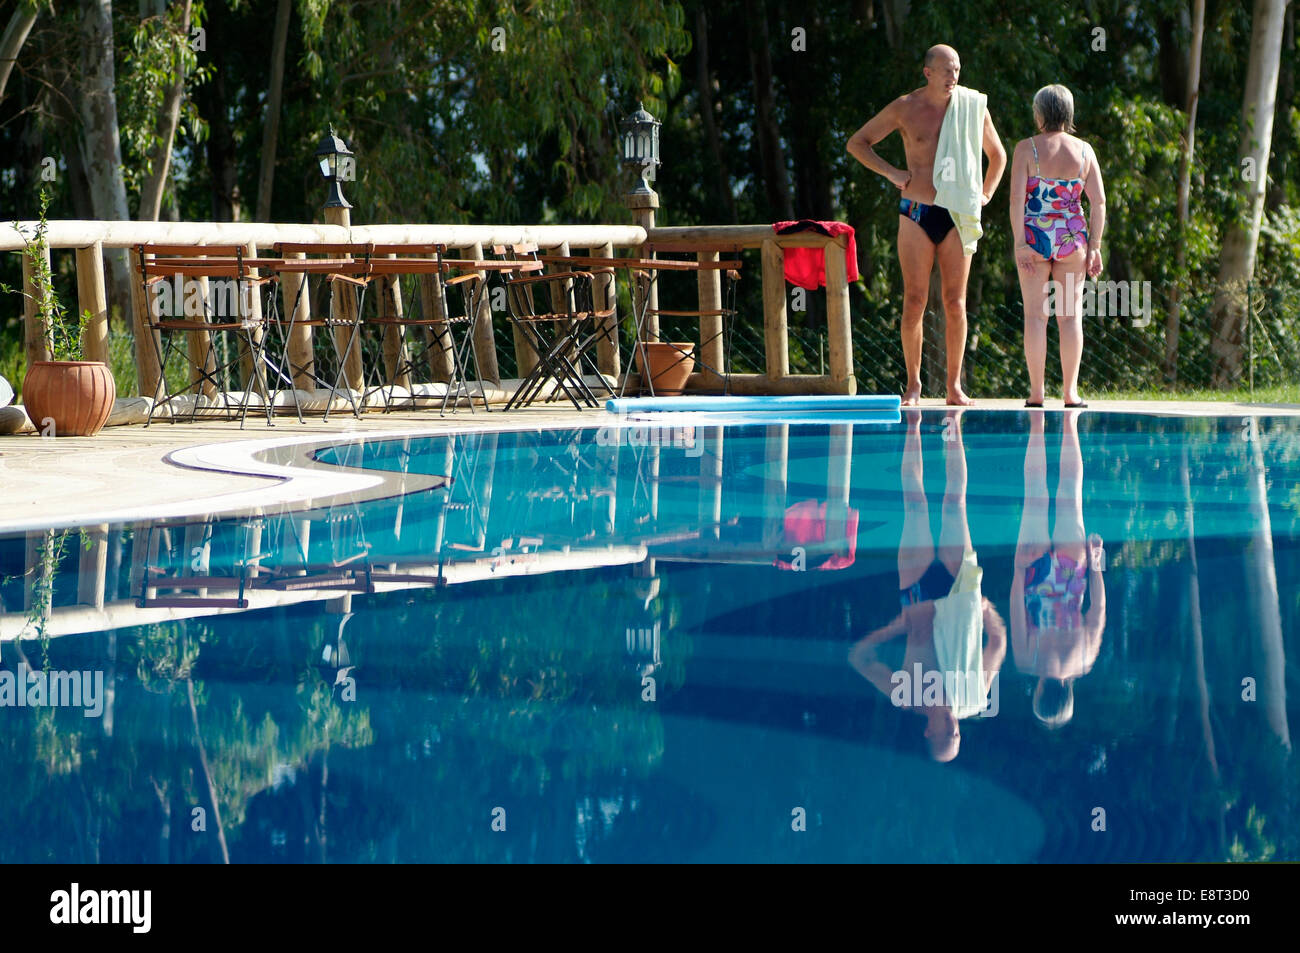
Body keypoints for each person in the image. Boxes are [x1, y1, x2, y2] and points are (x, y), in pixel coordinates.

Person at [847, 44, 1006, 407]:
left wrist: (985, 193)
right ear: (928, 72)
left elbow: (997, 155)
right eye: (947, 70)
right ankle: (914, 384)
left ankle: (954, 387)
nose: (954, 77)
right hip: (917, 211)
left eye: (958, 69)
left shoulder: (971, 107)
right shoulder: (905, 108)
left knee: (955, 302)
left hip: (956, 214)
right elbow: (857, 143)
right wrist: (891, 173)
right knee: (915, 300)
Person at [849, 410, 1006, 761]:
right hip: (960, 592)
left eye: (947, 733)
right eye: (958, 733)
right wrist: (986, 609)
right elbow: (997, 642)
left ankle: (914, 422)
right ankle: (953, 420)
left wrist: (895, 627)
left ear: (928, 732)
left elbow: (859, 658)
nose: (955, 725)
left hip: (917, 594)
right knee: (954, 503)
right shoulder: (974, 698)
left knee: (915, 504)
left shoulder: (905, 694)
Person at [1009, 84, 1107, 407]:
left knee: (1036, 318)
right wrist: (1094, 246)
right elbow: (1099, 202)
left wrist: (1020, 243)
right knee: (1069, 318)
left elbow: (1015, 200)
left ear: (1039, 115)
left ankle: (1036, 393)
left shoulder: (1026, 149)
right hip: (1071, 240)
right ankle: (1070, 393)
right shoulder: (1084, 151)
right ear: (1069, 113)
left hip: (1035, 238)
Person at [1010, 410, 1106, 727]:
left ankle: (1070, 421)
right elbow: (1015, 610)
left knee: (1070, 494)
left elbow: (1098, 609)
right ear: (1038, 693)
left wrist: (1096, 563)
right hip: (1035, 573)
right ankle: (1037, 423)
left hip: (1072, 573)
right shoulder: (1027, 662)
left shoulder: (1085, 660)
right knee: (1035, 492)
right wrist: (1019, 569)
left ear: (1068, 694)